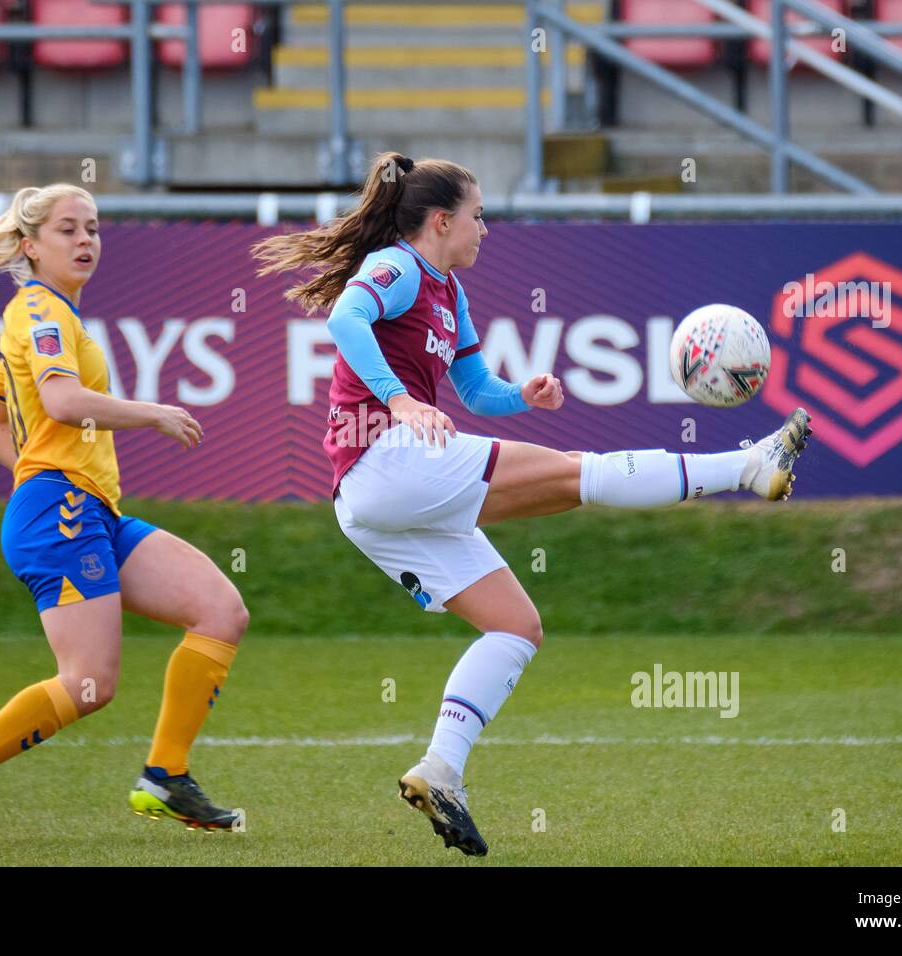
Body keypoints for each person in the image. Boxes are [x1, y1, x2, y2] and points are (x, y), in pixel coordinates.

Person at [254, 154, 810, 856]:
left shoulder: (447, 293)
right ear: (441, 220)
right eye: (479, 215)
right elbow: (345, 319)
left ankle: (441, 770)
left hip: (371, 499)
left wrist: (526, 395)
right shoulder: (397, 268)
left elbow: (478, 390)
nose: (486, 228)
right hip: (387, 462)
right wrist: (398, 400)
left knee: (516, 627)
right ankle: (746, 467)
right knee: (583, 474)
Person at [0, 184, 249, 843]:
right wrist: (147, 414)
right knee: (90, 684)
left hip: (89, 511)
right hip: (61, 512)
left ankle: (165, 776)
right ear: (30, 245)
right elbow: (64, 404)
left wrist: (32, 468)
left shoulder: (54, 316)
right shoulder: (38, 311)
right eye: (69, 229)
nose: (86, 240)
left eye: (93, 228)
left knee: (220, 610)